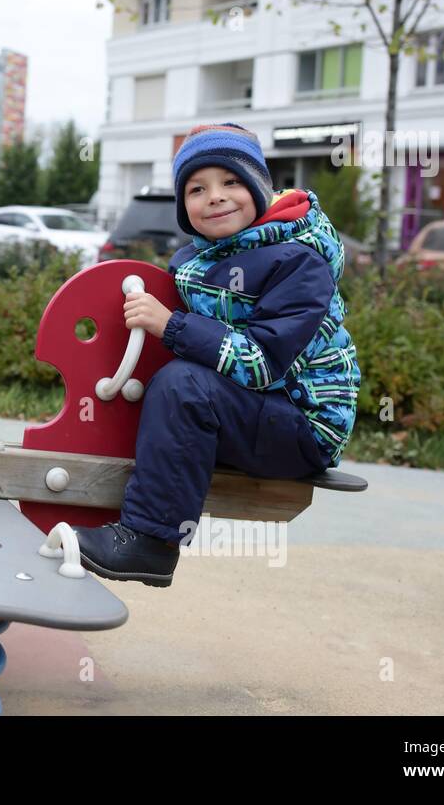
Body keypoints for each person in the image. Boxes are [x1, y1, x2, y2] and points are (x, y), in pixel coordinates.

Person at [74, 123, 361, 586]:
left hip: (303, 420)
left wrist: (171, 325)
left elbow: (263, 364)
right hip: (256, 411)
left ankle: (150, 541)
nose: (215, 197)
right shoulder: (201, 259)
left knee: (184, 384)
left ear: (259, 190)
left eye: (231, 182)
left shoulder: (297, 260)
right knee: (175, 379)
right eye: (196, 188)